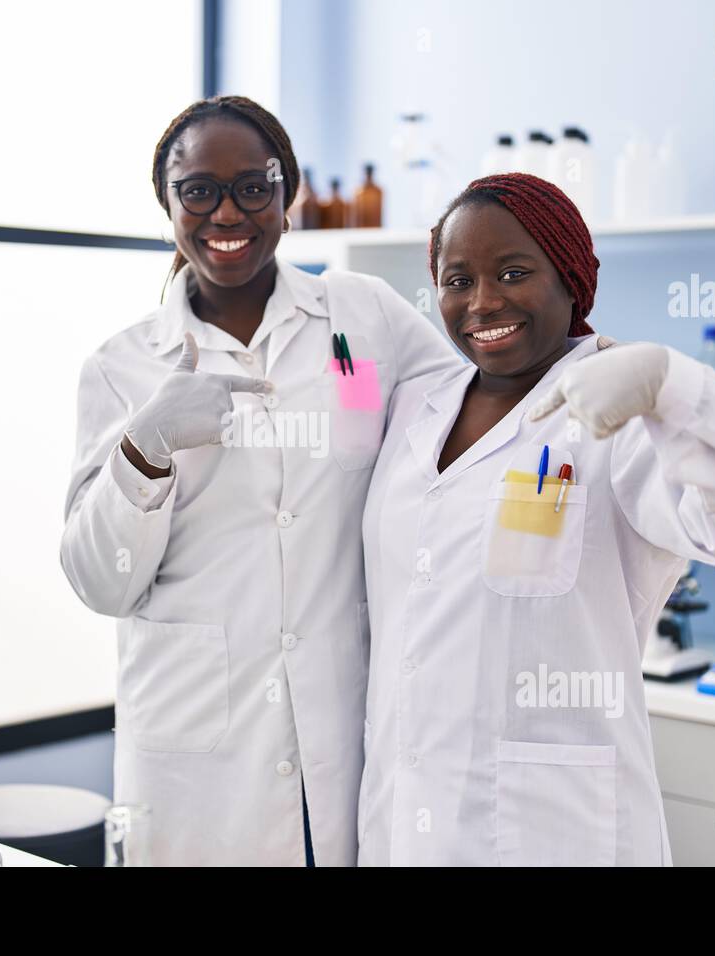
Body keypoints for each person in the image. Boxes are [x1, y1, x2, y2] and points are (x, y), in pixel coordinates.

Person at [357, 173, 715, 866]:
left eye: (514, 272)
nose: (483, 302)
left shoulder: (620, 420)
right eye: (457, 280)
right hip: (405, 820)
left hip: (556, 833)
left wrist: (672, 384)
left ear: (571, 281)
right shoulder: (415, 407)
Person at [60, 96, 459, 866]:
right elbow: (99, 582)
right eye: (198, 190)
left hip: (343, 730)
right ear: (169, 204)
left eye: (254, 185)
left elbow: (463, 422)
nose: (227, 211)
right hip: (198, 760)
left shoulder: (361, 314)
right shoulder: (122, 367)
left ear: (288, 192)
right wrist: (147, 444)